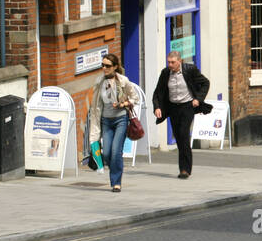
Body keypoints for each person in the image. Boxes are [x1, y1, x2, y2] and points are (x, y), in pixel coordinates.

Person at [86, 53, 141, 192]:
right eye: (103, 65)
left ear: (115, 67)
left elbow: (135, 98)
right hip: (105, 120)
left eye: (108, 66)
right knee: (106, 154)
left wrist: (123, 104)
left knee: (116, 152)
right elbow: (97, 103)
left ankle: (116, 182)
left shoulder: (123, 81)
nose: (104, 68)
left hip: (121, 119)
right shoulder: (99, 81)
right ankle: (115, 170)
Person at [152, 51, 211, 179]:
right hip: (173, 107)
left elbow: (205, 83)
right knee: (178, 136)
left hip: (187, 106)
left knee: (184, 133)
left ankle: (185, 169)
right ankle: (184, 166)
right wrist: (157, 107)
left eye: (173, 62)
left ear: (180, 61)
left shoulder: (190, 70)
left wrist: (198, 99)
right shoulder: (165, 73)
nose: (170, 65)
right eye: (168, 62)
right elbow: (158, 91)